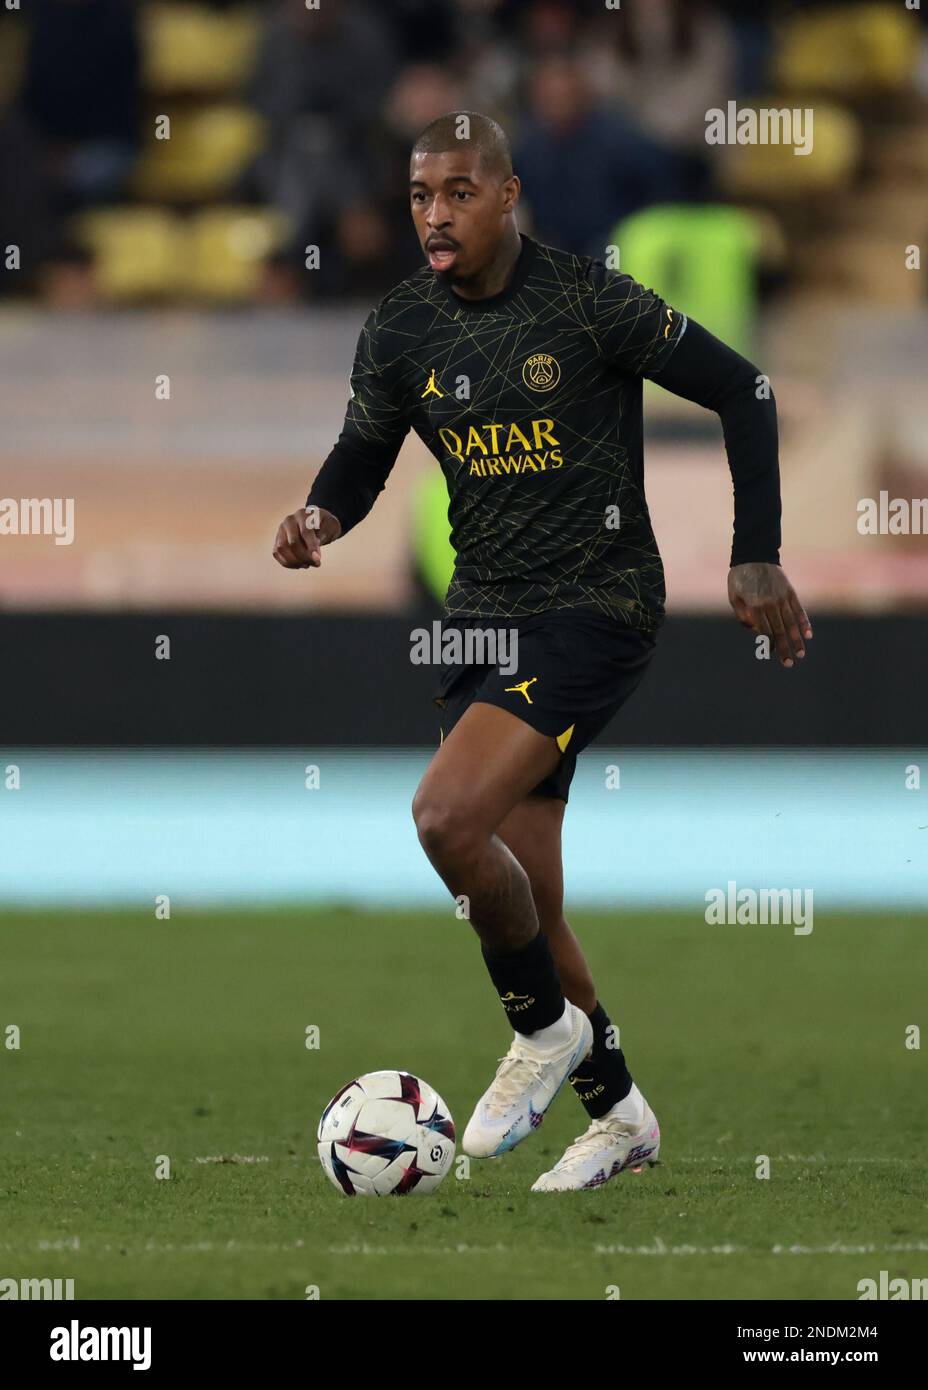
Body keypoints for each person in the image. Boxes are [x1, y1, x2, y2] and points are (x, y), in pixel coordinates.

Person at [273, 112, 812, 1192]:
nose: (435, 213)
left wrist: (757, 555)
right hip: (476, 621)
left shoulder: (587, 299)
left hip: (593, 607)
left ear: (508, 194)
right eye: (421, 194)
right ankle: (620, 1118)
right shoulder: (399, 327)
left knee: (443, 818)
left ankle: (542, 1034)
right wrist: (321, 516)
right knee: (520, 895)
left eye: (459, 193)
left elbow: (742, 390)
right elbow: (364, 451)